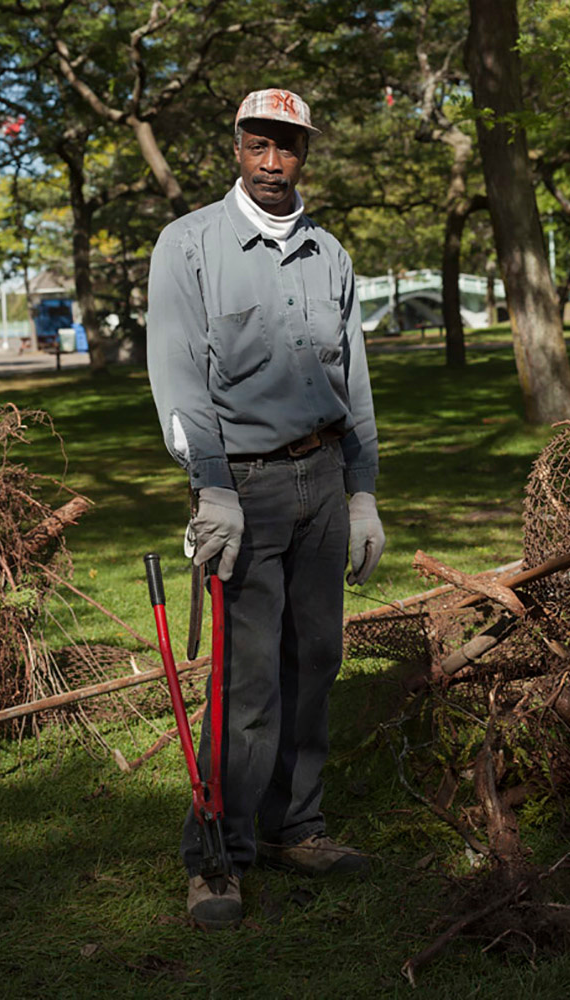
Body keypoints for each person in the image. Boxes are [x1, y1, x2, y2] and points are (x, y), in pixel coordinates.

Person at [146, 87, 385, 931]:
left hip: (322, 480)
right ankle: (218, 856)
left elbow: (350, 381)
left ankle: (297, 826)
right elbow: (177, 377)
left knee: (315, 661)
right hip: (241, 487)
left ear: (305, 152)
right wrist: (210, 485)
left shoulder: (331, 254)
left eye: (288, 145)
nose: (273, 160)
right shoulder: (191, 245)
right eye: (259, 144)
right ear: (237, 148)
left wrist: (363, 492)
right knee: (247, 684)